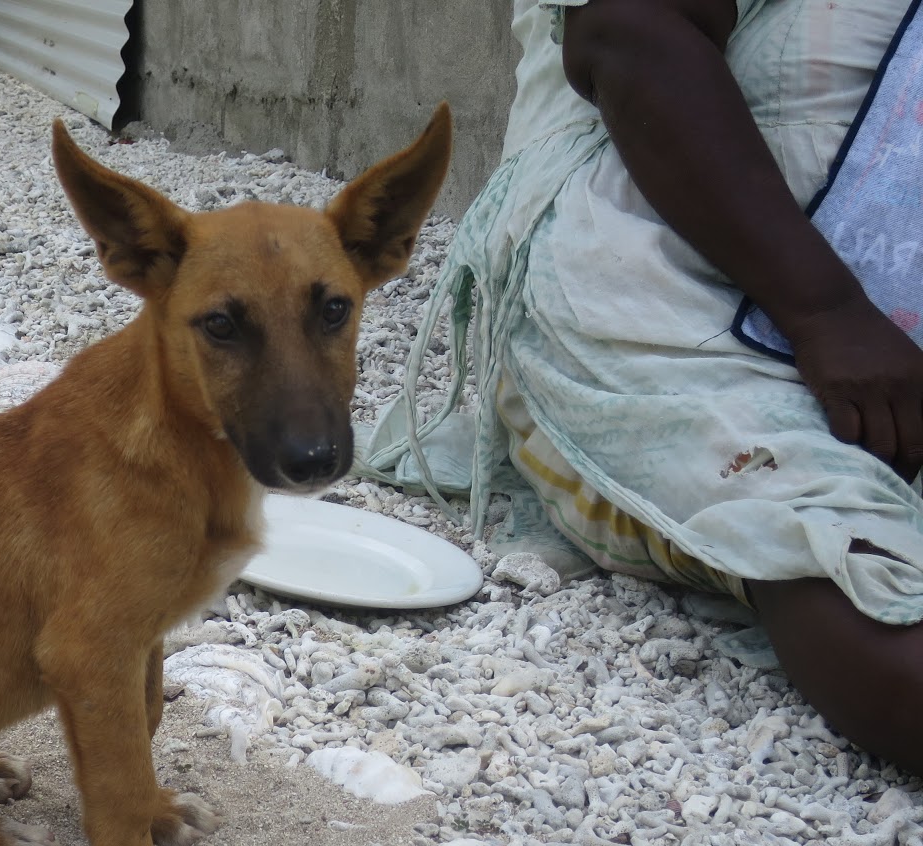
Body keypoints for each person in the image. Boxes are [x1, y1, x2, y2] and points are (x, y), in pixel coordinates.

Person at [366, 0, 923, 774]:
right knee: (849, 567)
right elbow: (628, 34)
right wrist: (828, 314)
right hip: (672, 289)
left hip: (875, 319)